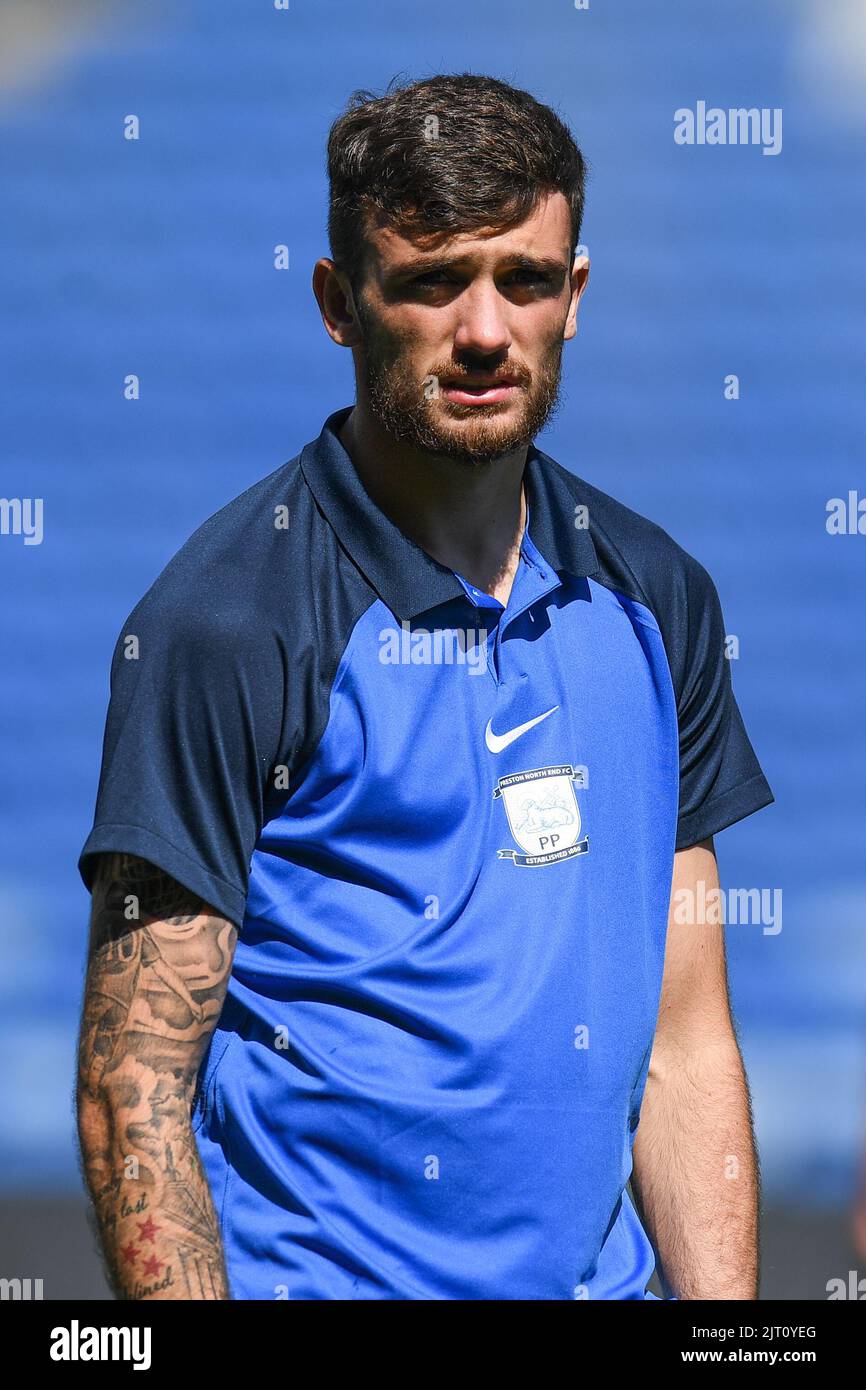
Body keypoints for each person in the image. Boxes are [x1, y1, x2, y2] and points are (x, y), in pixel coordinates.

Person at [76, 73, 774, 1301]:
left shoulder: (659, 598)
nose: (486, 330)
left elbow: (683, 1044)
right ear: (340, 306)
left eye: (524, 277)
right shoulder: (220, 625)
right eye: (434, 280)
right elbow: (132, 1097)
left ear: (576, 295)